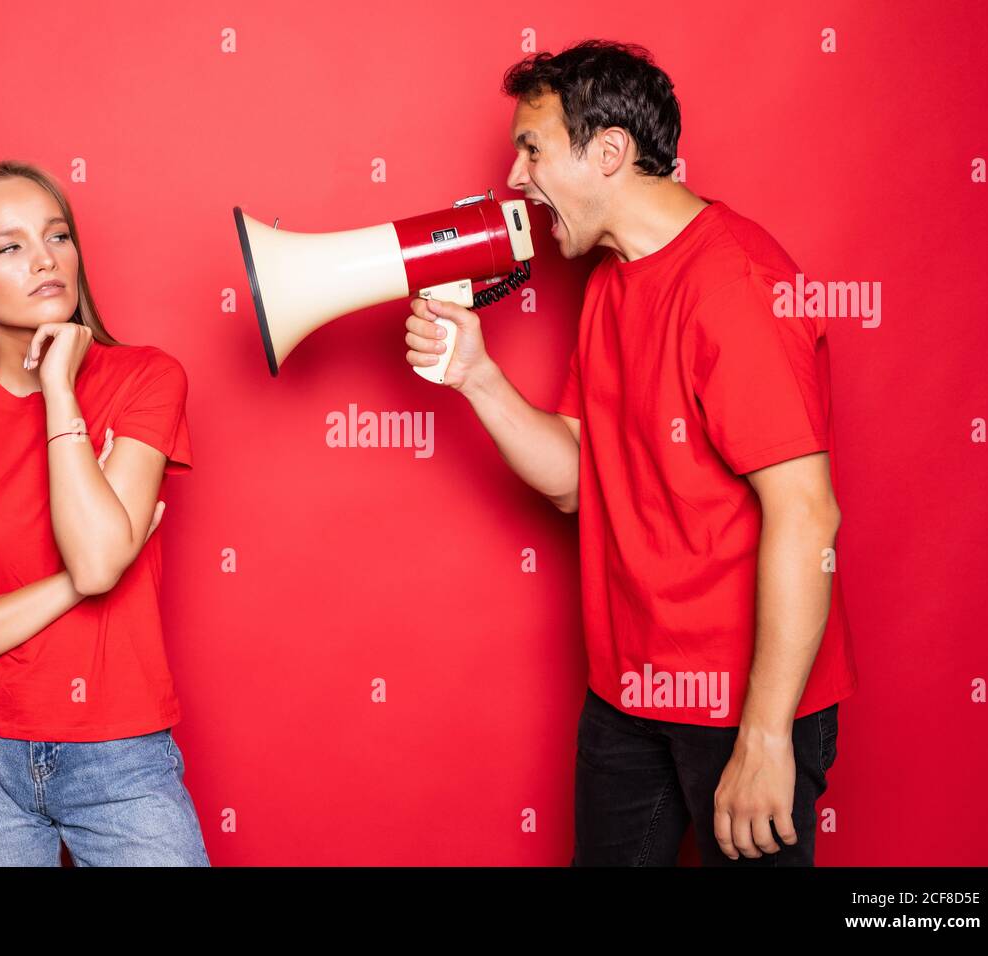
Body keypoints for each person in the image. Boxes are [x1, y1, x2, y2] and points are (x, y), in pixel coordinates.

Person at [405, 40, 856, 866]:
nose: (513, 178)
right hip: (627, 691)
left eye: (532, 148)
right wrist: (476, 377)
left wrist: (764, 737)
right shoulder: (613, 278)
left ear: (608, 152)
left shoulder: (736, 288)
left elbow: (807, 512)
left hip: (745, 704)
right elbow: (582, 476)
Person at [0, 160, 209, 866]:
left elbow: (97, 554)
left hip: (122, 755)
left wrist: (59, 391)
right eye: (9, 247)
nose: (44, 260)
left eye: (57, 236)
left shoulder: (147, 379)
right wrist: (72, 586)